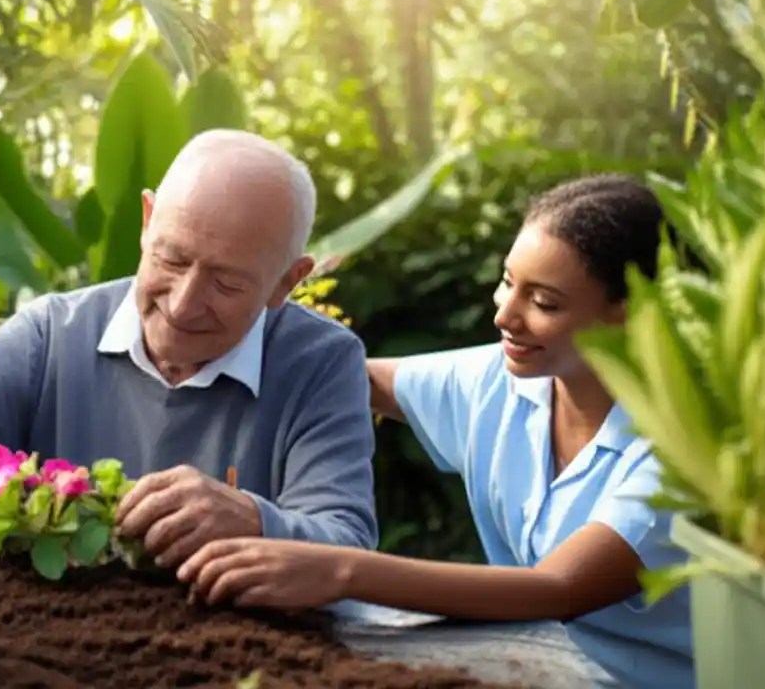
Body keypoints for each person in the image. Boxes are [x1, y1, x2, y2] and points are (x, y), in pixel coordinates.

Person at [176, 175, 695, 689]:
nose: (504, 315)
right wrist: (222, 321)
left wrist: (337, 569)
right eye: (508, 282)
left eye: (544, 303)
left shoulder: (678, 448)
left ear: (626, 315)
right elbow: (346, 377)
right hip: (526, 656)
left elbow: (558, 588)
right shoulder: (503, 383)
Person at [0, 129, 379, 568]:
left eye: (227, 284)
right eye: (171, 259)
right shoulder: (51, 335)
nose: (183, 305)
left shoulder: (320, 364)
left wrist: (256, 521)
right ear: (147, 221)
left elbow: (346, 544)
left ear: (288, 280)